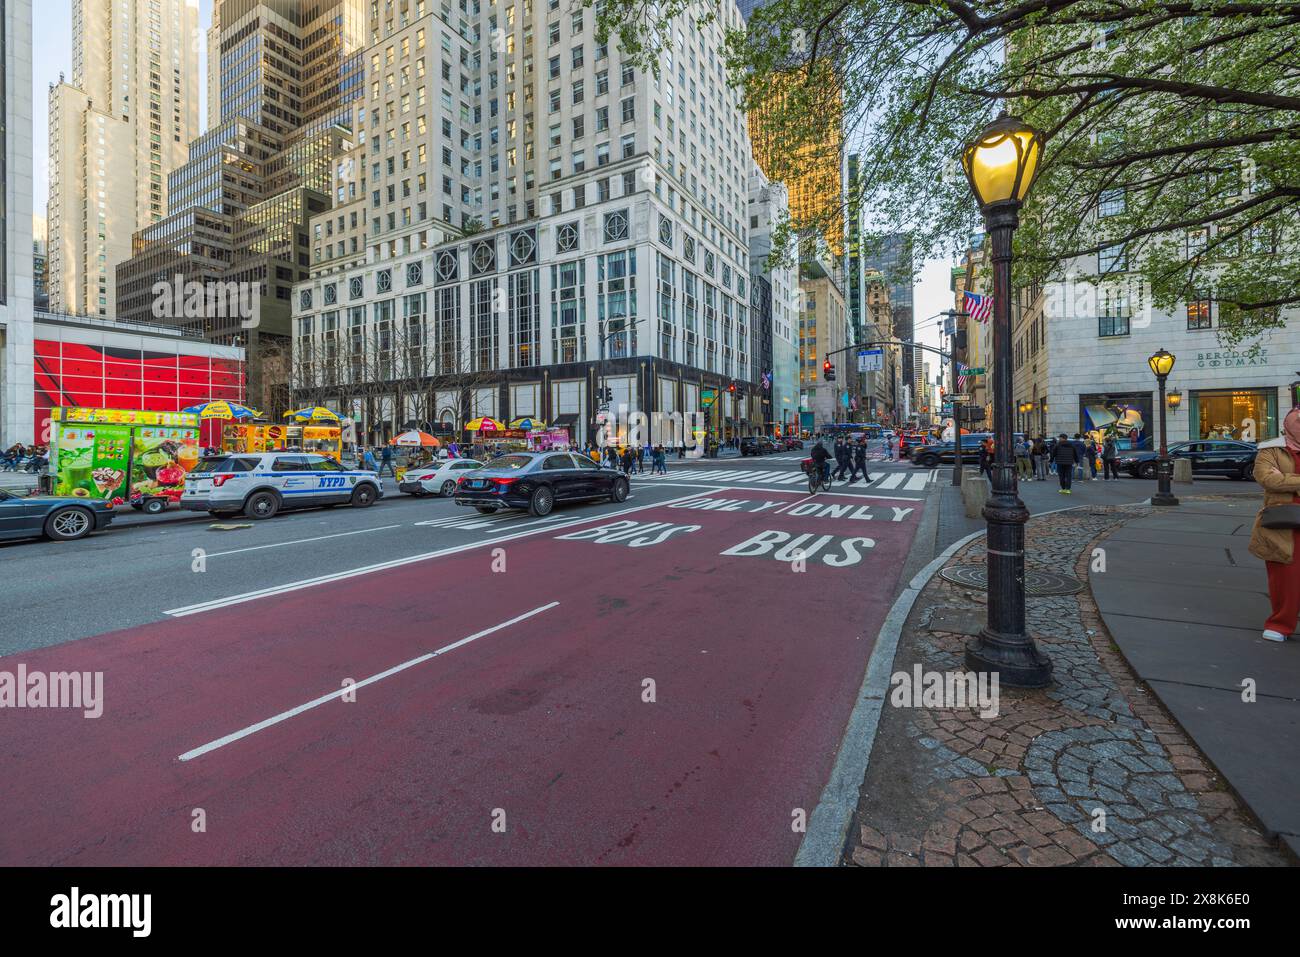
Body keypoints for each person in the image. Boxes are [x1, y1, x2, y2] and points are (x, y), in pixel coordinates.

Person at [1251, 408, 1300, 641]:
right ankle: (1280, 623)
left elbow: (1279, 479)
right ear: (1288, 423)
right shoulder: (1270, 449)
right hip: (1283, 521)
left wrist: (1286, 480)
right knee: (1284, 574)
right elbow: (1267, 479)